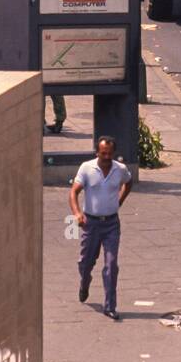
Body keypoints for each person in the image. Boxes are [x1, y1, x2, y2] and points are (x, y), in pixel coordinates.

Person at [69, 136, 134, 321]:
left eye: (109, 153)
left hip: (112, 224)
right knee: (86, 262)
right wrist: (77, 213)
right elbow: (74, 191)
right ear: (97, 152)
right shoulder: (87, 168)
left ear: (113, 153)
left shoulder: (120, 170)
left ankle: (110, 306)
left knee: (111, 265)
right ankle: (85, 282)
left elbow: (128, 183)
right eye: (102, 153)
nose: (106, 157)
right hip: (91, 223)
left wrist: (119, 201)